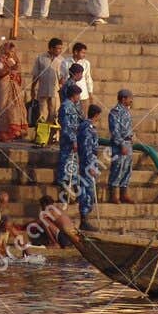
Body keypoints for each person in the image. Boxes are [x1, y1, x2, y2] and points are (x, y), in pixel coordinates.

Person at [30, 38, 64, 139]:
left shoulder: (62, 60)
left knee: (54, 115)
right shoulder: (40, 58)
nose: (59, 51)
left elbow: (62, 78)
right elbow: (36, 75)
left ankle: (52, 137)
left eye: (61, 49)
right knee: (42, 115)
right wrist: (32, 88)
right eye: (58, 48)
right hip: (43, 91)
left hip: (55, 92)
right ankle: (41, 137)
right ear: (51, 48)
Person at [76, 103, 103, 231]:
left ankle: (85, 218)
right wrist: (89, 166)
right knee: (87, 191)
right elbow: (86, 148)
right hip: (88, 163)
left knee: (89, 190)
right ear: (96, 115)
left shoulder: (89, 126)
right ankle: (84, 219)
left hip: (91, 161)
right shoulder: (87, 128)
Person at [107, 88, 135, 205]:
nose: (131, 101)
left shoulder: (126, 111)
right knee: (117, 168)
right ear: (123, 99)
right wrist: (122, 144)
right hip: (119, 145)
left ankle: (124, 193)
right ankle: (114, 195)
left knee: (127, 169)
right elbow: (115, 131)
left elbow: (127, 127)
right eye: (129, 98)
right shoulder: (115, 113)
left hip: (128, 143)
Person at [56, 81, 85, 196]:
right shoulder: (66, 107)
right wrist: (73, 140)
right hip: (68, 141)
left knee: (72, 166)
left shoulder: (74, 106)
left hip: (75, 140)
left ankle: (70, 191)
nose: (79, 97)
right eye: (78, 95)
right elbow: (67, 126)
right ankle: (63, 192)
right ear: (73, 95)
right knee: (65, 165)